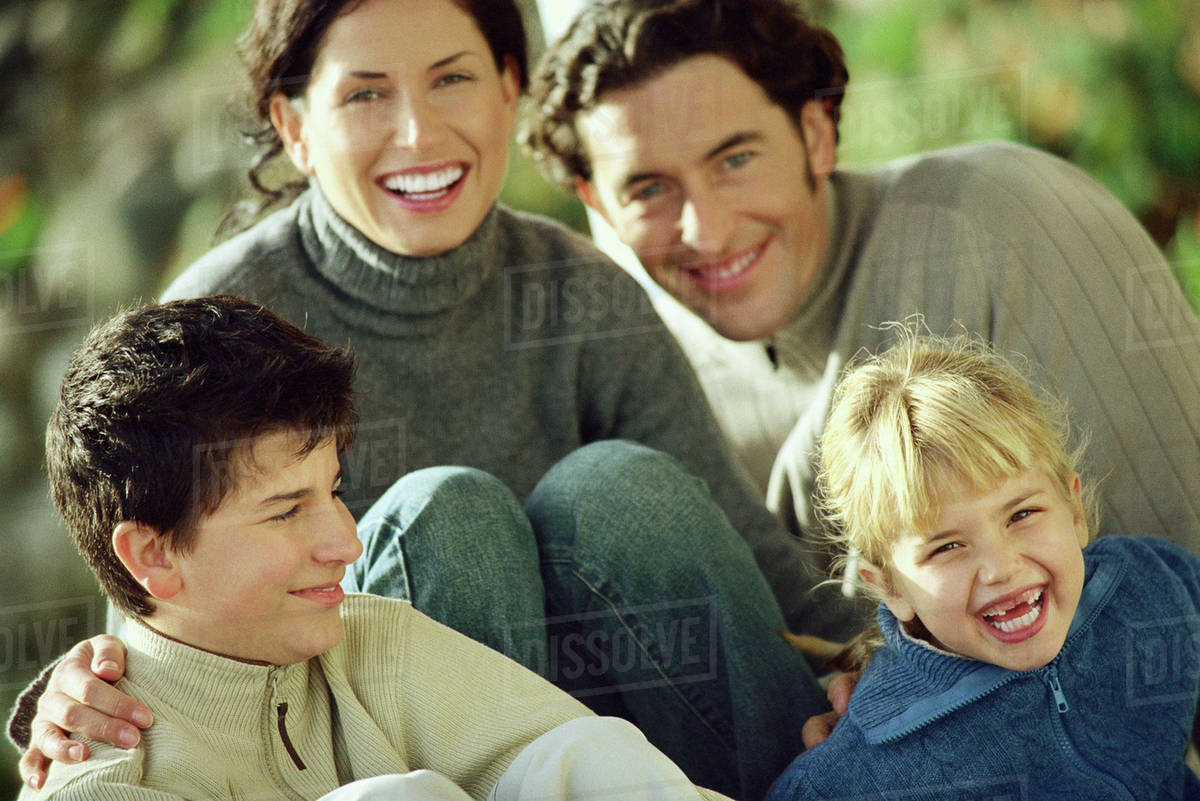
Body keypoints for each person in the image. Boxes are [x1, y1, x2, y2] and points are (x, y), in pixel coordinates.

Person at [12, 1, 831, 797]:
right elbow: (165, 587)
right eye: (366, 92)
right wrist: (83, 695)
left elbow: (731, 537)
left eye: (452, 79)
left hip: (622, 746)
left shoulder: (579, 294)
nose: (419, 132)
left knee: (618, 487)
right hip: (399, 765)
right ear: (294, 126)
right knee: (450, 511)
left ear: (511, 87)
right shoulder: (223, 323)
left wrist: (872, 656)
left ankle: (821, 785)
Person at [521, 0, 1200, 556]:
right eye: (648, 189)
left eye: (735, 159)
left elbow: (1175, 547)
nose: (708, 230)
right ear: (597, 202)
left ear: (816, 134)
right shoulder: (651, 373)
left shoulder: (1004, 222)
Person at [22, 294, 728, 801]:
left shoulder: (372, 640)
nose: (346, 540)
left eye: (332, 490)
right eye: (286, 510)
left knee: (589, 751)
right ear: (152, 555)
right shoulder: (102, 777)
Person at [763, 331, 1200, 800]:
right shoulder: (859, 778)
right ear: (890, 587)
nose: (1001, 567)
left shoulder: (1155, 583)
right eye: (947, 547)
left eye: (1022, 515)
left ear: (1074, 512)